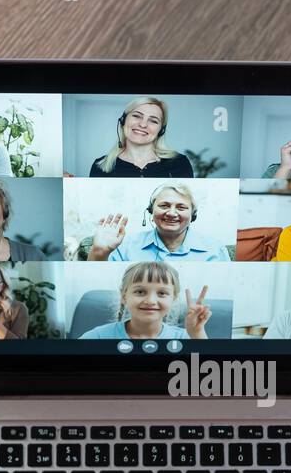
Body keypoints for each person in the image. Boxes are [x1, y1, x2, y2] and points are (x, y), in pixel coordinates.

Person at [86, 183, 228, 261]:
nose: (172, 213)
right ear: (150, 211)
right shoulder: (126, 246)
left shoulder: (215, 250)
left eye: (181, 207)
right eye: (164, 206)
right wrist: (99, 251)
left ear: (193, 215)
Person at [79, 262, 211, 339]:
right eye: (140, 292)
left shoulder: (186, 337)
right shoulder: (98, 336)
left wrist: (197, 334)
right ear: (124, 297)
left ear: (173, 299)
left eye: (162, 293)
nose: (150, 300)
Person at [89, 97, 194, 178]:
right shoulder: (101, 166)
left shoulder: (179, 163)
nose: (143, 124)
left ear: (161, 130)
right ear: (123, 121)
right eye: (136, 116)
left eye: (153, 121)